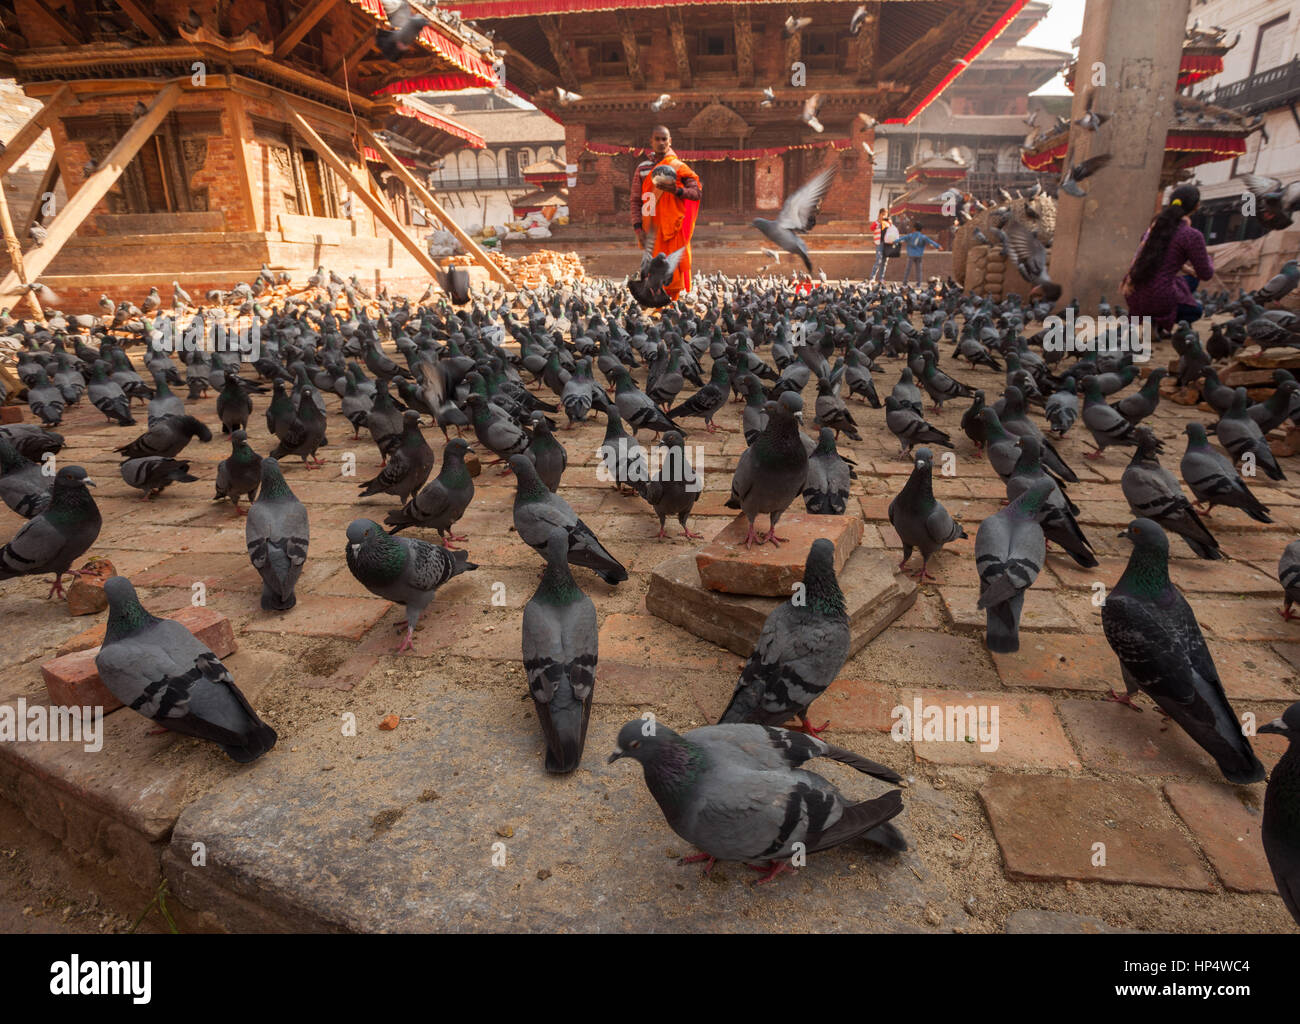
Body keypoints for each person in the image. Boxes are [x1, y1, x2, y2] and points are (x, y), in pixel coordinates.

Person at [1122, 183, 1214, 331]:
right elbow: (1206, 273)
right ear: (1196, 206)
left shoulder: (1154, 228)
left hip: (1134, 294)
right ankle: (1155, 321)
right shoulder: (1190, 235)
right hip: (1159, 298)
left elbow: (1162, 256)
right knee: (1196, 310)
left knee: (1189, 280)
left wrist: (1187, 269)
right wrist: (1209, 259)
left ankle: (1151, 320)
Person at [632, 126, 702, 300]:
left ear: (670, 141)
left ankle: (673, 305)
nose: (661, 142)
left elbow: (696, 193)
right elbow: (635, 200)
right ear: (651, 141)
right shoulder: (642, 169)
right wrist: (638, 229)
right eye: (657, 139)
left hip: (673, 230)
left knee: (673, 271)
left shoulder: (679, 167)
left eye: (665, 139)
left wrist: (677, 190)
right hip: (651, 231)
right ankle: (659, 303)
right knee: (653, 271)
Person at [899, 221, 940, 286]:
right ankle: (919, 283)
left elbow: (901, 238)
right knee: (919, 270)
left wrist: (893, 241)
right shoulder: (923, 237)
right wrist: (938, 246)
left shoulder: (910, 235)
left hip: (911, 255)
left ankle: (904, 282)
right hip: (919, 255)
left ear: (914, 228)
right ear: (921, 229)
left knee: (908, 269)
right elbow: (931, 242)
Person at [868, 209, 894, 283]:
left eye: (885, 214)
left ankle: (881, 278)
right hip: (879, 243)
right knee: (878, 260)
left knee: (884, 261)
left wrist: (890, 223)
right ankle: (872, 277)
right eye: (882, 214)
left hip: (887, 244)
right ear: (879, 214)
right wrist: (879, 222)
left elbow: (892, 231)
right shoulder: (876, 222)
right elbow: (872, 228)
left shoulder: (888, 223)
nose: (884, 216)